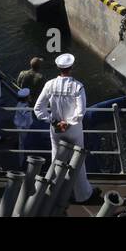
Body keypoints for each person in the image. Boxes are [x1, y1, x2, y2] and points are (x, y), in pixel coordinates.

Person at [33, 53, 94, 203]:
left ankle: (53, 194)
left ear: (58, 67)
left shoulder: (49, 85)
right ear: (71, 68)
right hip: (73, 130)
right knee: (78, 162)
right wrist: (68, 122)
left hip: (56, 130)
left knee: (56, 160)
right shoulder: (78, 86)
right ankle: (82, 195)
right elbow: (81, 112)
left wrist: (54, 121)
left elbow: (38, 109)